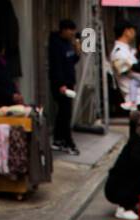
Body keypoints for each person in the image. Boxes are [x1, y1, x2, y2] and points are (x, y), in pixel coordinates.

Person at [105, 111, 140, 220]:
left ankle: (129, 204)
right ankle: (125, 207)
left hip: (116, 186)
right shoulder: (137, 146)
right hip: (116, 189)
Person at [47, 19, 80, 155]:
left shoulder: (68, 43)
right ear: (64, 30)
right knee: (65, 113)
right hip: (61, 84)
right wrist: (61, 84)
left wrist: (77, 52)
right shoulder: (55, 45)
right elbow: (56, 66)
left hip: (69, 82)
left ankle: (58, 139)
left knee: (63, 112)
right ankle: (68, 142)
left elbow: (71, 61)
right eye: (70, 30)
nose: (72, 33)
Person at [109, 21, 138, 110]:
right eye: (133, 30)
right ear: (126, 31)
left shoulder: (128, 50)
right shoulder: (119, 52)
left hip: (139, 96)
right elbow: (125, 71)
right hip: (132, 96)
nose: (135, 33)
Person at [0, 42, 21, 107]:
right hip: (1, 102)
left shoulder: (3, 62)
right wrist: (12, 96)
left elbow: (10, 81)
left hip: (10, 99)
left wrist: (17, 93)